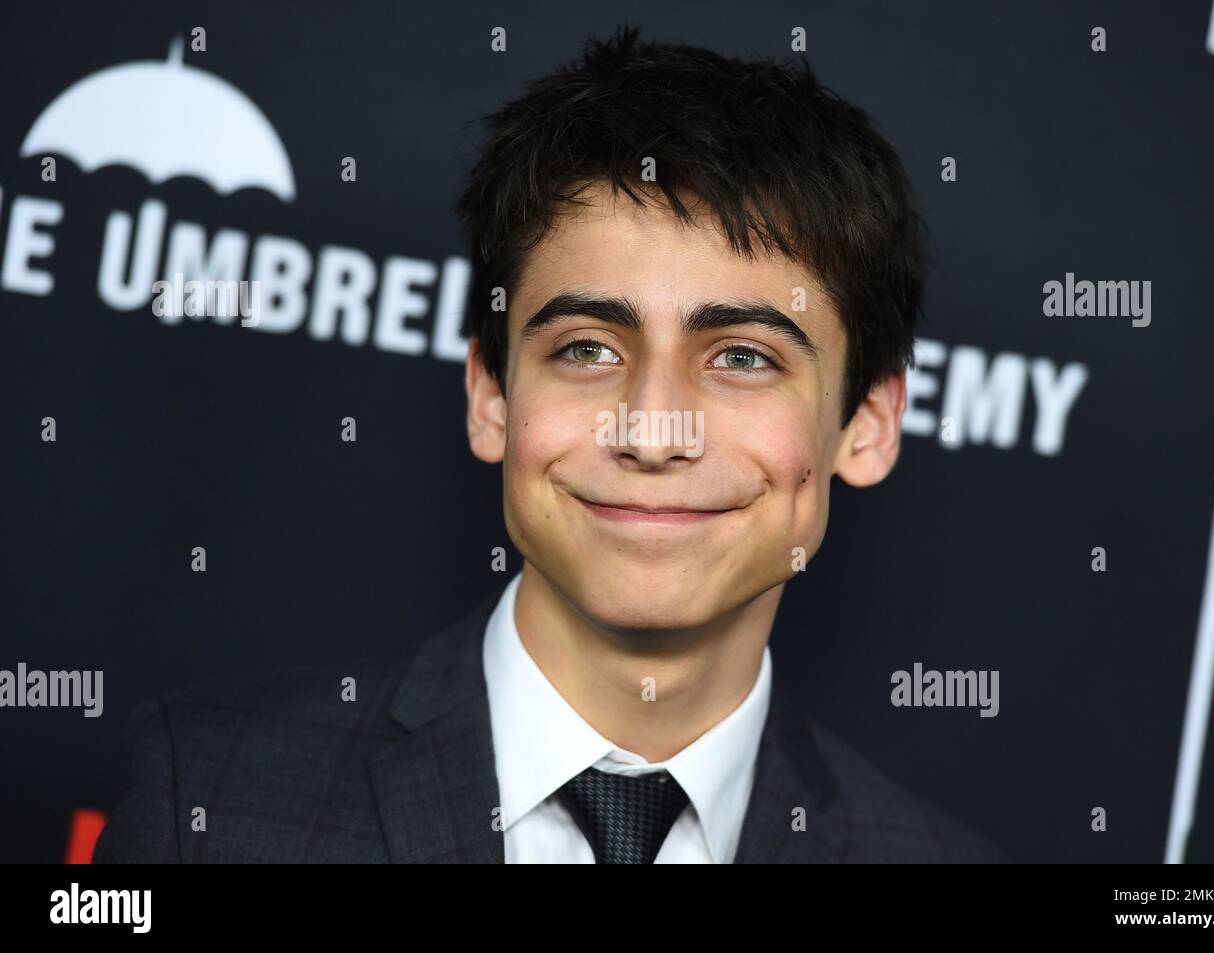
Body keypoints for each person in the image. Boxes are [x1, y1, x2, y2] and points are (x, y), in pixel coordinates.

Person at [94, 23, 1007, 864]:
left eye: (741, 356)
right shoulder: (207, 800)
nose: (654, 430)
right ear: (491, 393)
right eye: (587, 348)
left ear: (870, 421)